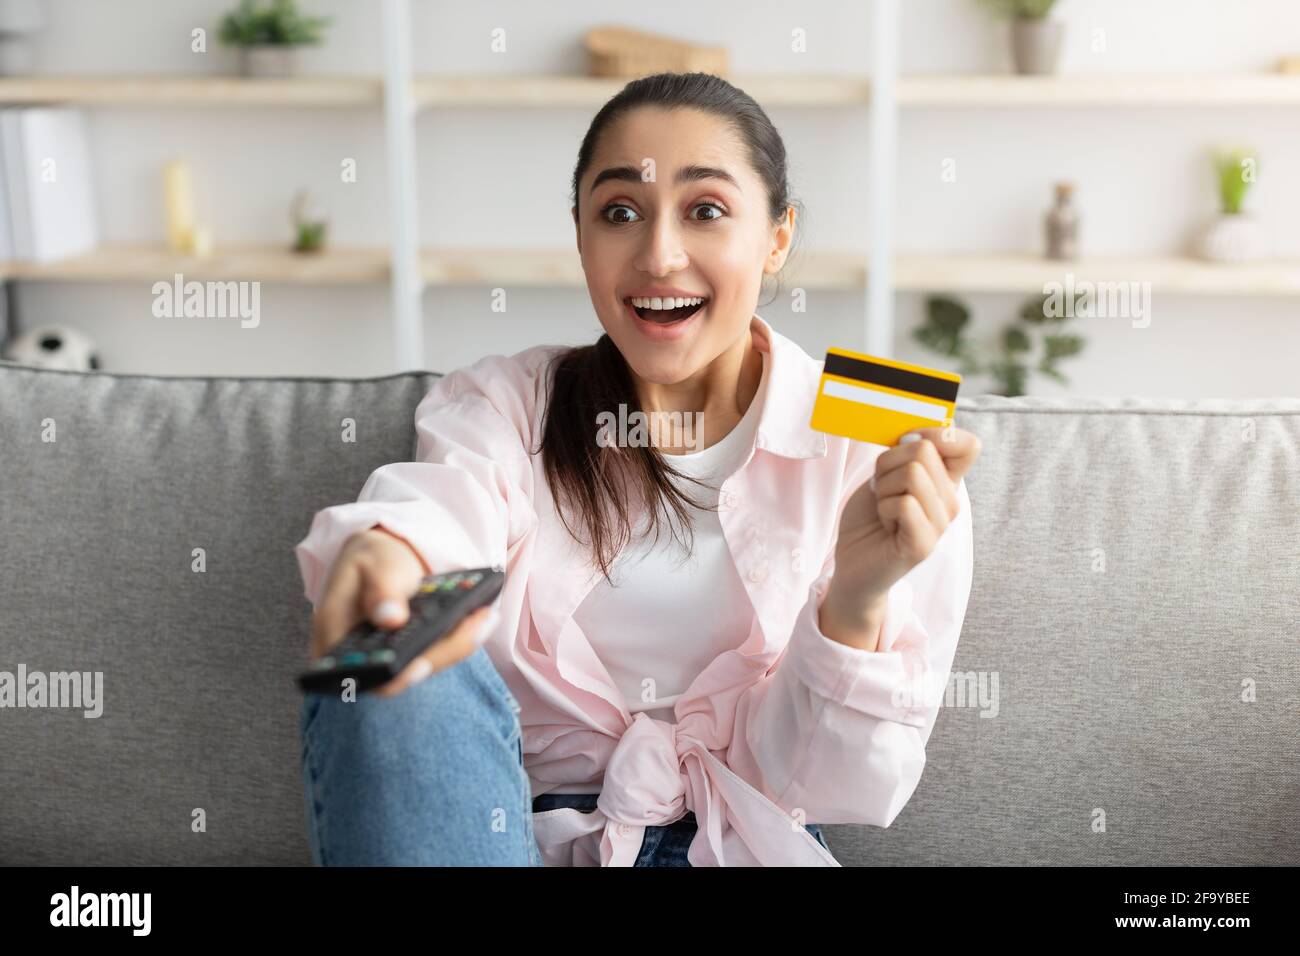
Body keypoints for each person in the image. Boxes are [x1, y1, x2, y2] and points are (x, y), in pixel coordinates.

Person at [295, 71, 982, 867]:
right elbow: (445, 507)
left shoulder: (883, 426)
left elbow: (833, 788)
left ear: (778, 237)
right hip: (513, 842)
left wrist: (857, 598)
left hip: (747, 842)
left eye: (707, 211)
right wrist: (395, 554)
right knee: (396, 657)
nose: (659, 255)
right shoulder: (511, 401)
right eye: (620, 212)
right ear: (581, 235)